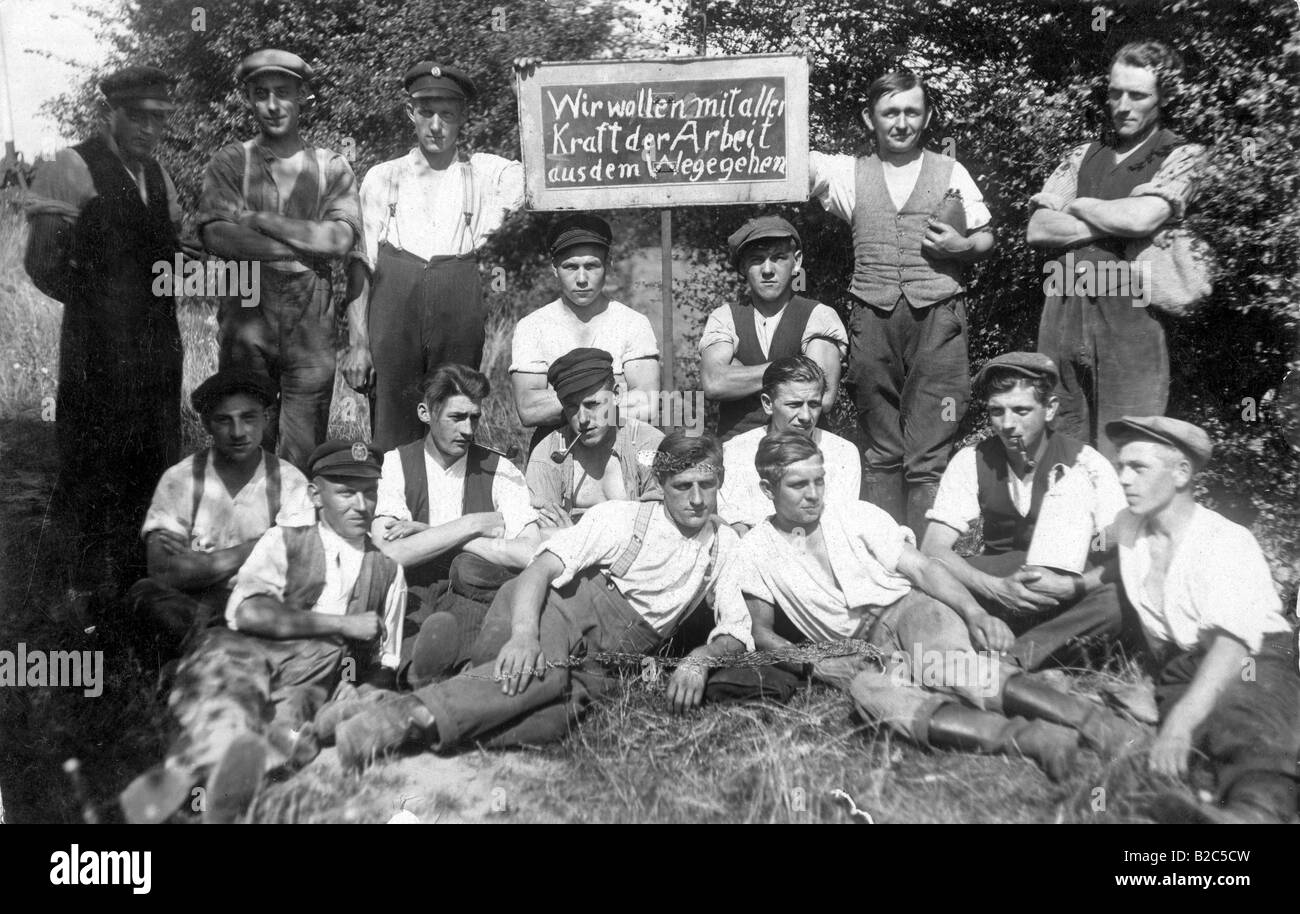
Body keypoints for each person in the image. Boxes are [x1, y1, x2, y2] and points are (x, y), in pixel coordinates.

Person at [735, 433, 1143, 782]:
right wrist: (815, 663)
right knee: (872, 694)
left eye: (819, 480)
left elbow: (923, 568)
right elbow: (761, 632)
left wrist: (975, 612)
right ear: (768, 490)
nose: (813, 494)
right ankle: (1033, 738)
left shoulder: (853, 514)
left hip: (908, 610)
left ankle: (1095, 722)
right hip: (858, 650)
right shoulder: (754, 549)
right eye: (798, 485)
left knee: (949, 667)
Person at [333, 431, 754, 770]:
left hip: (601, 662)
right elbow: (539, 570)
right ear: (660, 484)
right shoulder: (623, 518)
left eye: (707, 485)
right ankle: (399, 720)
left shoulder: (726, 546)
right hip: (545, 610)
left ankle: (397, 708)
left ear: (719, 482)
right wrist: (524, 636)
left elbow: (736, 628)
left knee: (553, 722)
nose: (697, 499)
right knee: (541, 675)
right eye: (683, 486)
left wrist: (701, 658)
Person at [119, 441, 406, 824]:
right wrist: (340, 624)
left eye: (369, 492)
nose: (361, 505)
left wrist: (358, 686)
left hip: (317, 672)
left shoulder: (389, 571)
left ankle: (221, 785)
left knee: (281, 734)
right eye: (345, 493)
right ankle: (193, 780)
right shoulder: (284, 540)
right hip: (250, 650)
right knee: (229, 704)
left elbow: (386, 663)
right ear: (315, 495)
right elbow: (249, 613)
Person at [24, 65, 185, 609]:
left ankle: (141, 587)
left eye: (157, 119)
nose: (148, 129)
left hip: (158, 348)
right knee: (92, 464)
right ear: (109, 113)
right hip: (96, 351)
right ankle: (84, 591)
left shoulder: (158, 175)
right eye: (136, 116)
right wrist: (100, 310)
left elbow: (170, 249)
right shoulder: (70, 165)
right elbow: (43, 263)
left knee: (152, 460)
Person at [810, 70, 995, 531]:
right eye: (890, 112)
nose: (901, 122)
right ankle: (883, 553)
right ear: (869, 118)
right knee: (881, 447)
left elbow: (985, 235)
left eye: (912, 112)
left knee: (930, 446)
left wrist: (962, 247)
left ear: (927, 117)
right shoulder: (846, 173)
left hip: (939, 316)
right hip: (872, 315)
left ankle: (929, 556)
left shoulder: (951, 171)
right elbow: (787, 156)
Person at [1101, 417, 1300, 824]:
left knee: (1242, 713)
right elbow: (1095, 553)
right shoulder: (1128, 525)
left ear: (1181, 473)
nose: (1123, 478)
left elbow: (1232, 645)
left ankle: (1258, 813)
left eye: (1138, 467)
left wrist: (1181, 720)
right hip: (1183, 665)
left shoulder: (1224, 540)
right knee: (1191, 749)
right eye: (1121, 466)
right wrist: (1068, 582)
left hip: (1251, 653)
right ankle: (1215, 804)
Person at [1028, 41, 1206, 458]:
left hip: (1130, 309)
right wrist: (1114, 217)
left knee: (1127, 447)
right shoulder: (1081, 155)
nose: (1123, 106)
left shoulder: (1183, 155)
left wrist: (1080, 205)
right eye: (1115, 93)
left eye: (1138, 95)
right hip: (1062, 303)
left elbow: (1142, 219)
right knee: (1058, 445)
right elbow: (1038, 228)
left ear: (1164, 97)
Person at [198, 49, 363, 470]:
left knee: (304, 450)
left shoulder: (332, 166)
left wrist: (259, 220)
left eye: (283, 93)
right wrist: (303, 246)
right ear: (249, 99)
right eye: (261, 94)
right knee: (243, 437)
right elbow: (217, 234)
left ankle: (294, 512)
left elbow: (340, 239)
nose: (272, 105)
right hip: (247, 311)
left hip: (312, 322)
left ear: (302, 95)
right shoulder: (232, 161)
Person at [920, 353, 1131, 670]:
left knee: (1117, 600)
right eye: (997, 411)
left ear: (1050, 409)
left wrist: (1072, 586)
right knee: (931, 583)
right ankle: (1018, 648)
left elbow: (1125, 553)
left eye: (1021, 410)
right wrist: (995, 589)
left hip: (1065, 588)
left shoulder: (1086, 462)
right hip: (1000, 582)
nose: (1007, 424)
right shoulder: (972, 459)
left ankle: (1009, 661)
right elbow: (933, 548)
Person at [359, 60, 528, 452]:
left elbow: (537, 174)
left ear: (462, 117)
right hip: (394, 302)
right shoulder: (383, 177)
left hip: (457, 299)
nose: (436, 125)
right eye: (426, 112)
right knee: (392, 422)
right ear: (410, 113)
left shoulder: (484, 173)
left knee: (455, 410)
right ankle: (394, 490)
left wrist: (525, 89)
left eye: (447, 114)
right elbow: (361, 262)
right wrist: (357, 342)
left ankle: (454, 489)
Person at [126, 370, 314, 658]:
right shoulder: (181, 479)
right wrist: (267, 543)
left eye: (249, 418)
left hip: (262, 607)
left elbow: (303, 565)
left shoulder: (290, 482)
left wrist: (199, 563)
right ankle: (228, 652)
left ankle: (214, 654)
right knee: (146, 594)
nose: (238, 432)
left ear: (266, 418)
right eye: (224, 420)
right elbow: (163, 571)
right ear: (206, 424)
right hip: (197, 608)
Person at [372, 363, 539, 685]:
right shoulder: (396, 464)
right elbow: (389, 554)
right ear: (425, 413)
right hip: (414, 586)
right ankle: (420, 677)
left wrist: (427, 531)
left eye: (474, 417)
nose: (468, 430)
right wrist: (473, 523)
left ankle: (465, 674)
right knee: (413, 631)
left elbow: (529, 552)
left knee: (469, 623)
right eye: (457, 417)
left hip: (471, 589)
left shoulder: (500, 469)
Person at [510, 214, 660, 449]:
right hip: (556, 449)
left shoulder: (633, 323)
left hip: (620, 447)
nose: (581, 279)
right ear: (554, 268)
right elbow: (529, 409)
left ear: (608, 264)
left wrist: (562, 395)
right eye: (570, 267)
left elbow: (647, 405)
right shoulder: (532, 326)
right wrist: (610, 392)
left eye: (591, 266)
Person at [700, 215, 846, 442]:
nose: (768, 270)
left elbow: (823, 396)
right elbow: (714, 383)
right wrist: (794, 364)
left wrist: (739, 371)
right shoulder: (725, 317)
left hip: (800, 447)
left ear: (796, 261)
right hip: (737, 448)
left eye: (779, 258)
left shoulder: (819, 315)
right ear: (743, 266)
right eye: (757, 260)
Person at [717, 356, 860, 534]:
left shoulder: (842, 453)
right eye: (794, 405)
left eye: (814, 404)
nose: (806, 416)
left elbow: (840, 526)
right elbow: (734, 526)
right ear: (768, 404)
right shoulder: (737, 451)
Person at [526, 347, 664, 523]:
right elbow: (539, 529)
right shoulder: (547, 454)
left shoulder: (649, 444)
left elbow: (660, 523)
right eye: (572, 407)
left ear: (616, 395)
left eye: (592, 404)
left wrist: (569, 533)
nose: (583, 419)